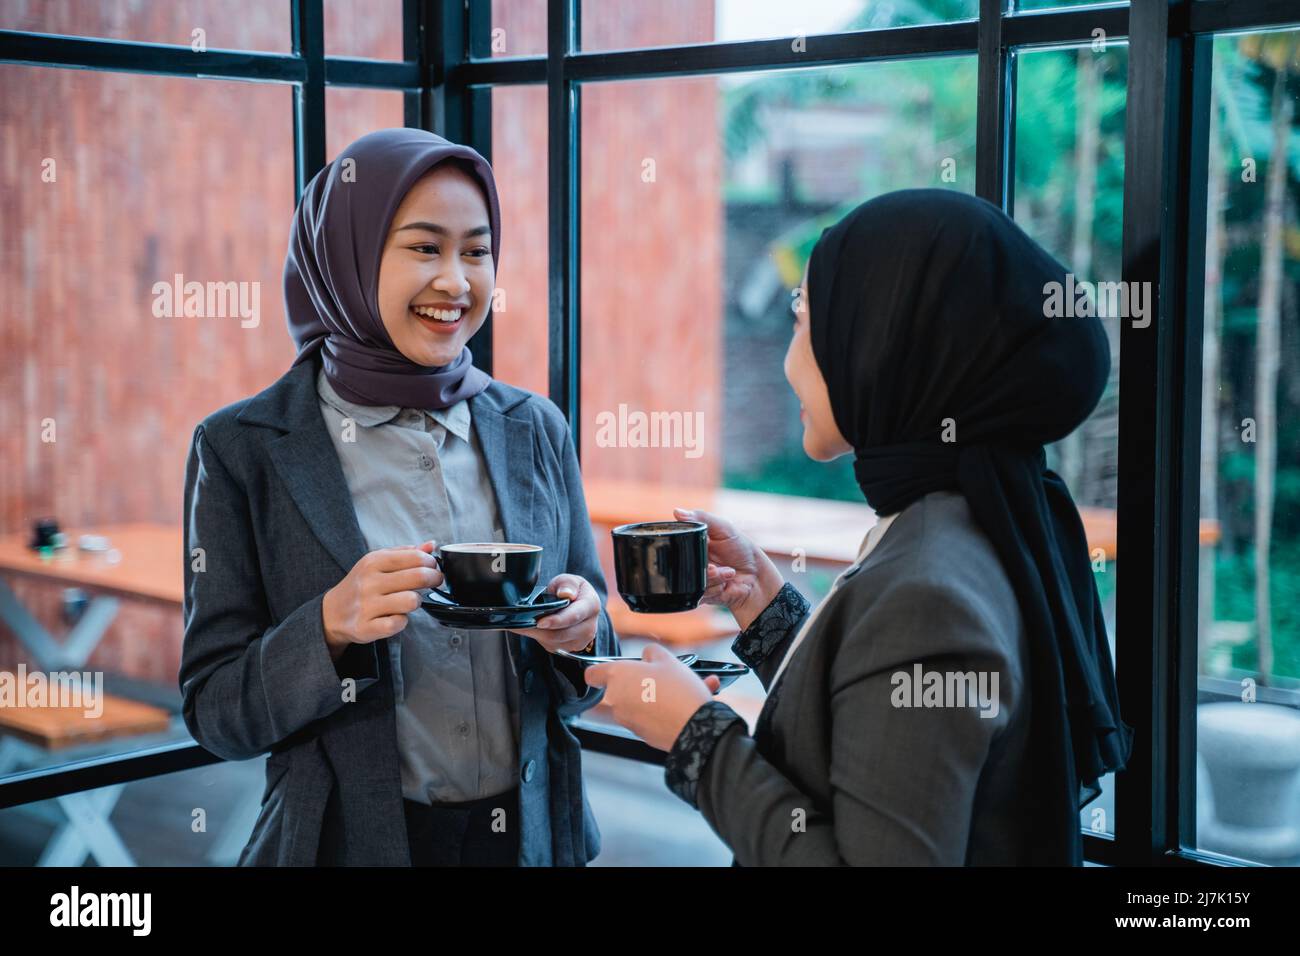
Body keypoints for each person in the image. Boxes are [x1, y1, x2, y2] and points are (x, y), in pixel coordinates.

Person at [585, 188, 1133, 866]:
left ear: (885, 344)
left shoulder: (929, 587)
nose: (788, 362)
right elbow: (877, 728)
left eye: (805, 317)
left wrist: (697, 738)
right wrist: (770, 607)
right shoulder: (975, 514)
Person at [179, 128, 618, 867]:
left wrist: (582, 636)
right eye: (424, 247)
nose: (456, 281)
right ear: (345, 260)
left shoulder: (534, 427)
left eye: (476, 251)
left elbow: (590, 677)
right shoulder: (242, 448)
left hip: (533, 843)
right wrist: (328, 625)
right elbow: (217, 713)